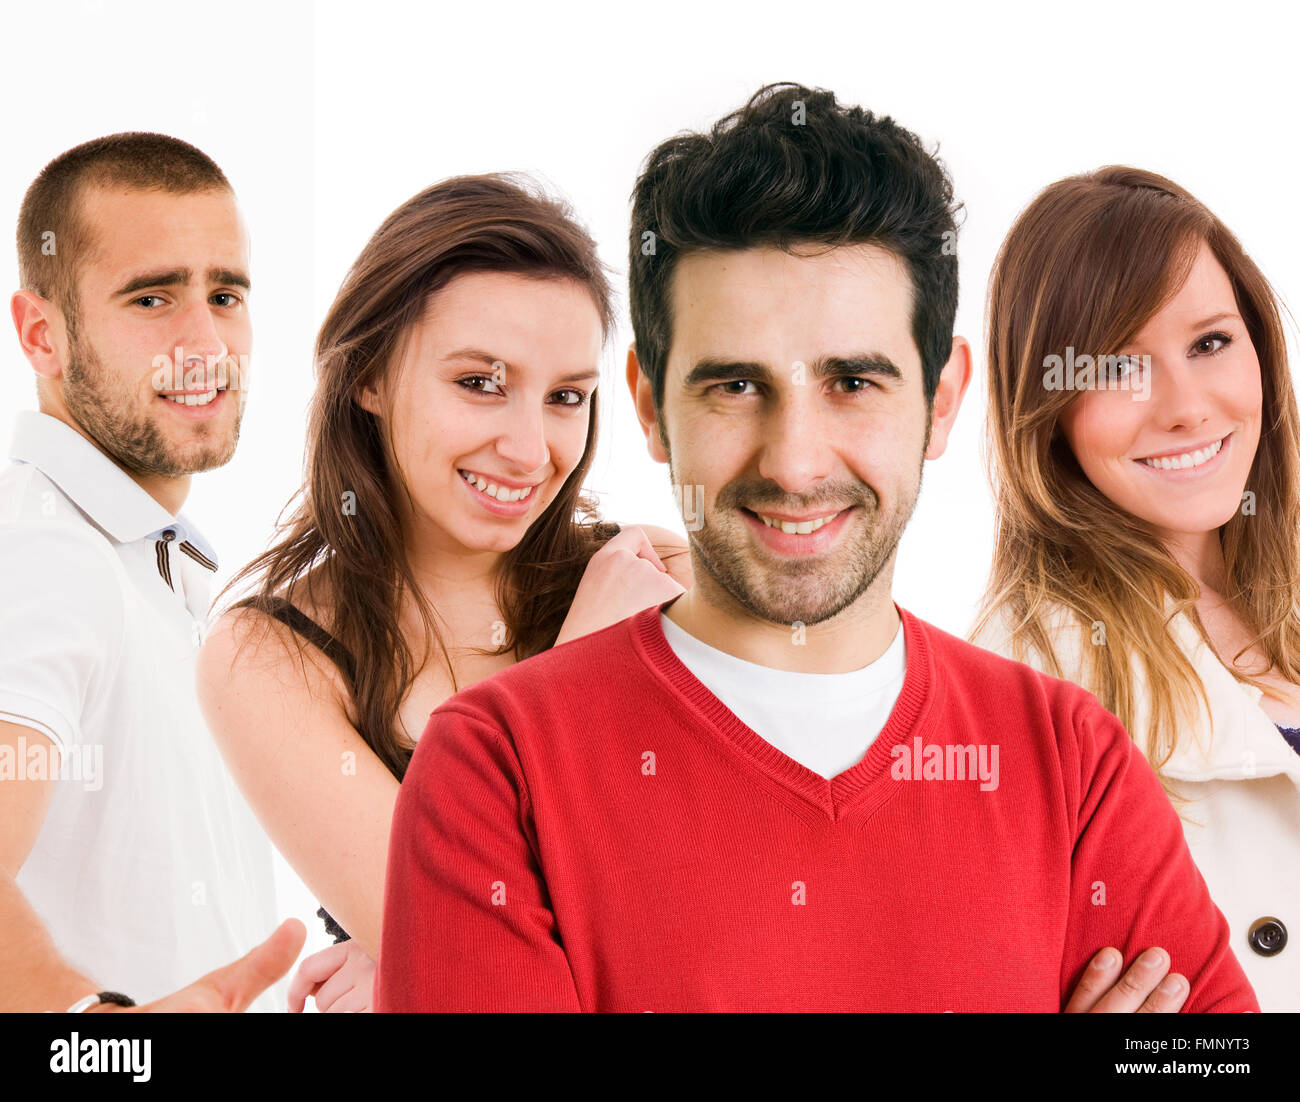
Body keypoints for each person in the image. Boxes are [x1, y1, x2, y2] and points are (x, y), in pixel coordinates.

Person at [375, 84, 1256, 1012]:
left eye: (852, 381)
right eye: (734, 386)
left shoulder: (1070, 758)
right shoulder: (494, 771)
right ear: (648, 403)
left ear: (942, 397)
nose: (795, 464)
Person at [196, 173, 691, 1012]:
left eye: (567, 397)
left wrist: (402, 972)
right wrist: (578, 671)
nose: (531, 450)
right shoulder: (269, 656)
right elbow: (481, 972)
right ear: (372, 377)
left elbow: (786, 905)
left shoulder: (654, 573)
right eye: (480, 383)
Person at [969, 166, 1300, 1011]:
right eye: (1118, 367)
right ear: (1047, 406)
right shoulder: (1021, 683)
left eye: (1211, 342)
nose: (1186, 407)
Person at [0, 132, 302, 1012]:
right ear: (41, 334)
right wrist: (97, 1031)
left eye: (225, 293)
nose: (204, 342)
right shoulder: (47, 548)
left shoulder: (158, 565)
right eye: (152, 297)